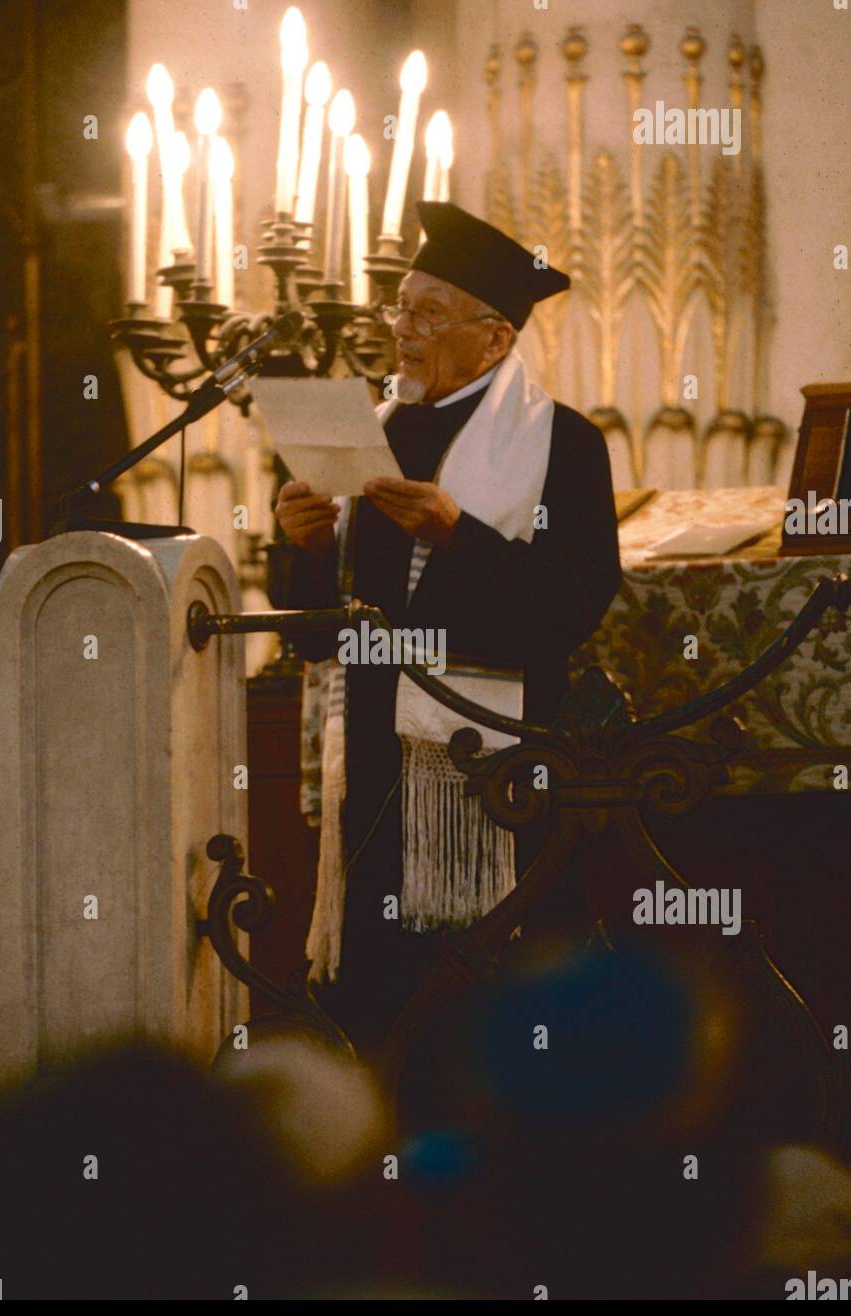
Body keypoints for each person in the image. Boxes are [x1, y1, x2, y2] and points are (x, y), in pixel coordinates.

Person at [271, 200, 622, 1055]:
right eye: (401, 307)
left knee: (497, 1003)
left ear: (495, 338)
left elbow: (571, 608)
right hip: (377, 775)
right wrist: (301, 547)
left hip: (498, 773)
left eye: (429, 313)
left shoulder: (564, 445)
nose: (403, 330)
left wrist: (455, 538)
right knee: (387, 1003)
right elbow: (318, 633)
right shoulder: (372, 433)